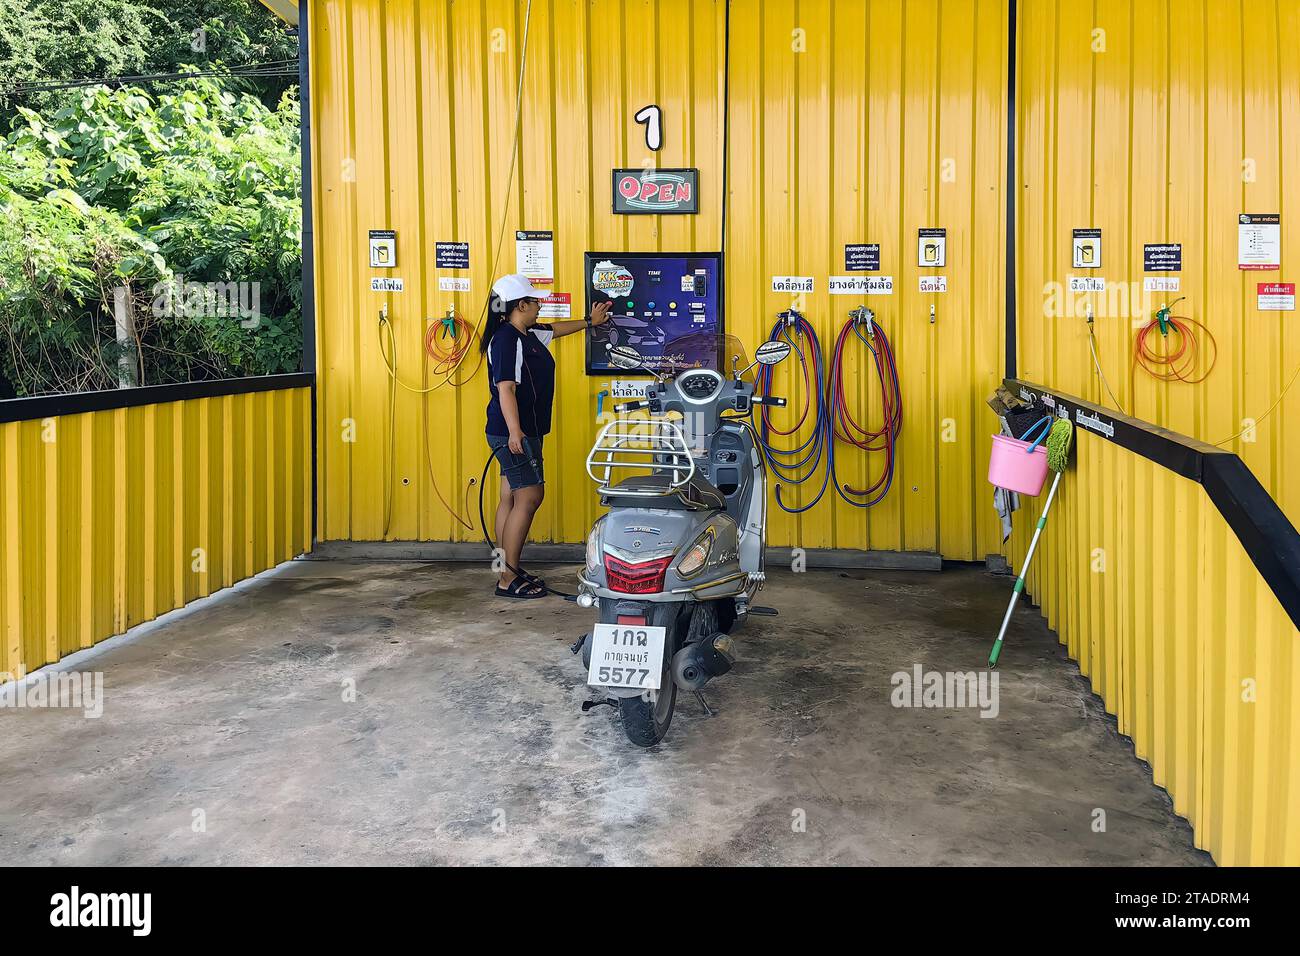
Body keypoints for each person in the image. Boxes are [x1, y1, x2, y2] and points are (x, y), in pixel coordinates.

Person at [482, 274, 611, 599]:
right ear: (520, 306)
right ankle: (507, 580)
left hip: (514, 430)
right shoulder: (508, 339)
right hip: (514, 432)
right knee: (530, 497)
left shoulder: (526, 333)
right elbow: (506, 389)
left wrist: (588, 321)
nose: (540, 306)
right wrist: (515, 432)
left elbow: (556, 329)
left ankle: (505, 568)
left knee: (510, 497)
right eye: (535, 302)